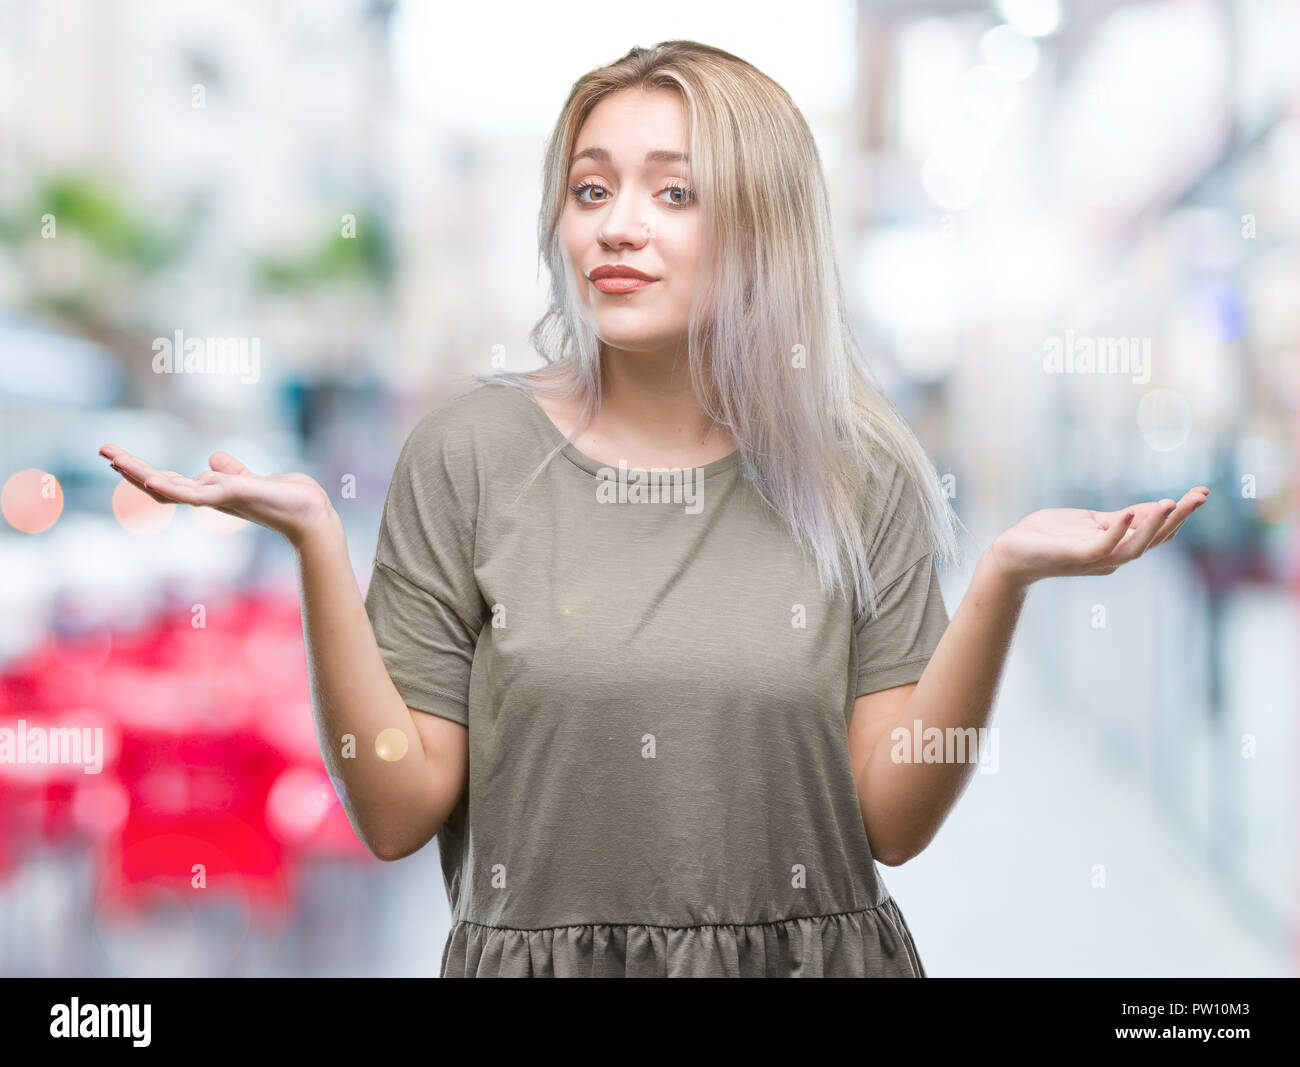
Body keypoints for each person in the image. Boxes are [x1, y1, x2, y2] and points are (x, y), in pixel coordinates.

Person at [99, 40, 1208, 978]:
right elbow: (396, 810)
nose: (616, 226)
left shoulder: (855, 472)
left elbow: (894, 820)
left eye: (673, 192)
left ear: (762, 225)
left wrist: (1004, 578)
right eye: (591, 189)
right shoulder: (466, 454)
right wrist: (314, 547)